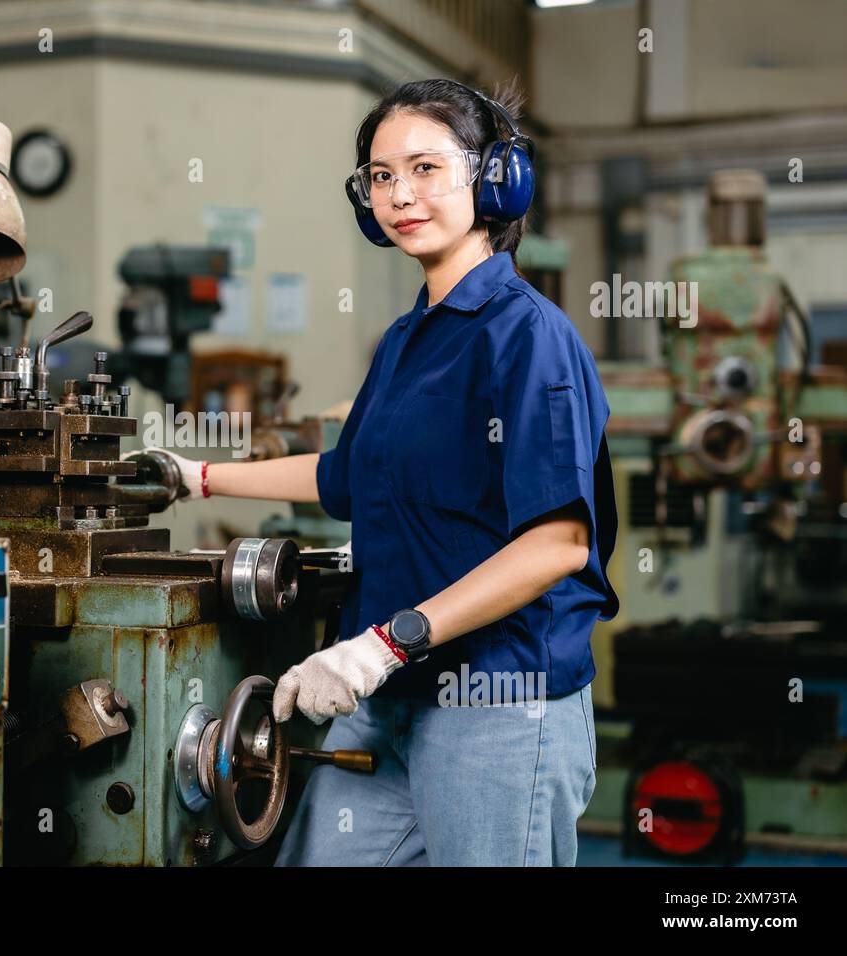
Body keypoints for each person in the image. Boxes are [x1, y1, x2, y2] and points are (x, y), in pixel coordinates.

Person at [132, 79, 618, 866]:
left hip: (495, 703)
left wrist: (384, 646)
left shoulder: (528, 339)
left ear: (495, 179)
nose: (400, 194)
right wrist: (197, 477)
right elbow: (346, 477)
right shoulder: (406, 340)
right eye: (381, 176)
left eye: (425, 168)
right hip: (389, 697)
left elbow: (558, 544)